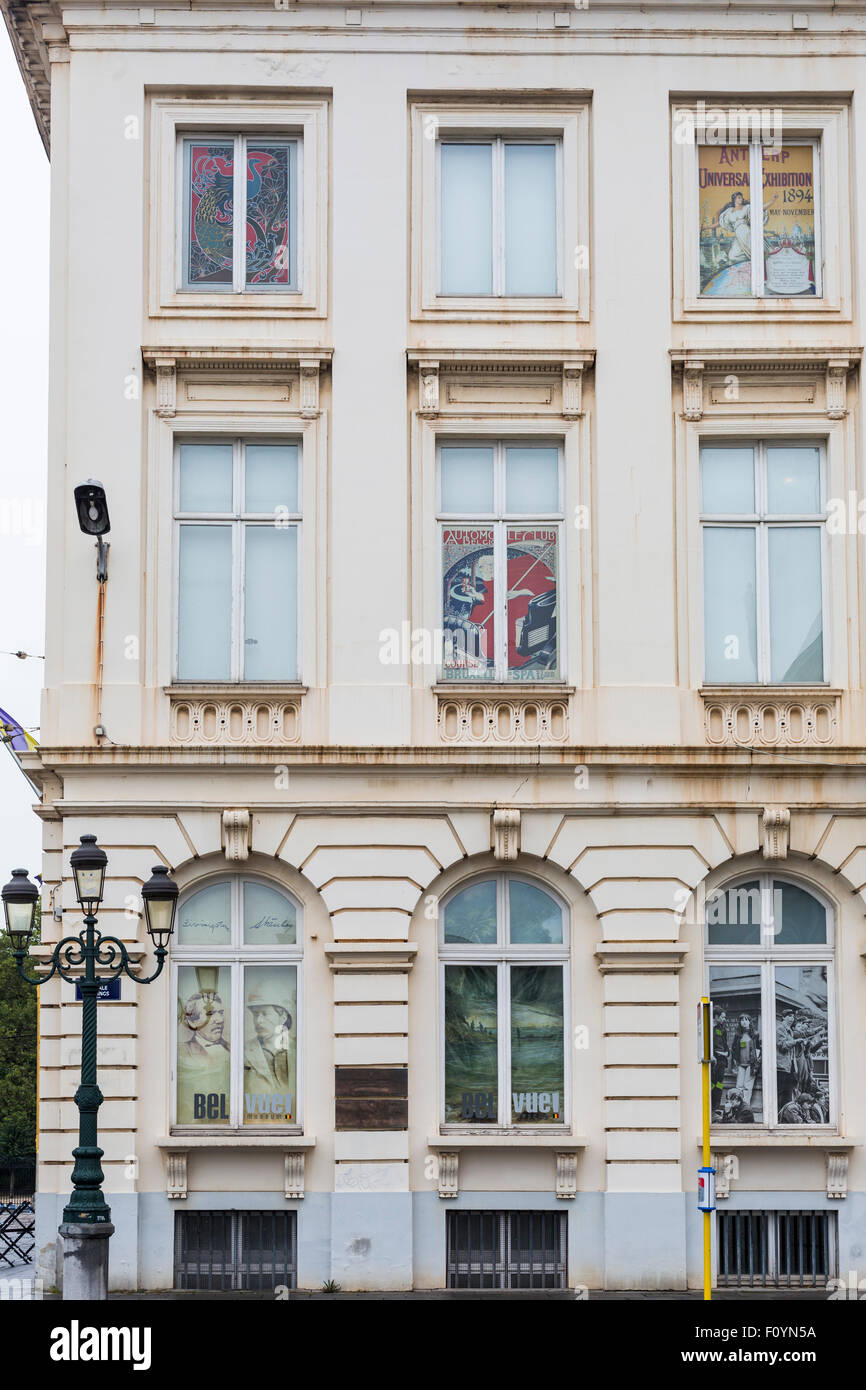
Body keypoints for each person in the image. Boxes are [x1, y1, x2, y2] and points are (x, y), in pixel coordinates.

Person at [177, 989, 230, 1121]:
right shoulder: (182, 1053)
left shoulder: (237, 1050)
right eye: (210, 1014)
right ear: (192, 1022)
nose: (219, 1020)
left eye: (221, 1013)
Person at [244, 982, 293, 1094]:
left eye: (265, 1014)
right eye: (256, 1014)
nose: (258, 1021)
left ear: (283, 1017)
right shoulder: (243, 1052)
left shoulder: (297, 1050)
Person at [776, 1009, 797, 1111]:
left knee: (788, 1094)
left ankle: (785, 1115)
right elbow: (782, 1046)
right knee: (780, 1094)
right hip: (781, 1067)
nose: (791, 1019)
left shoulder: (790, 1030)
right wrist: (795, 1042)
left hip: (789, 1067)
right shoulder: (780, 1028)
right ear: (783, 1017)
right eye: (789, 1016)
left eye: (792, 1017)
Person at [735, 1014, 757, 1103]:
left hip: (751, 1064)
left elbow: (758, 1049)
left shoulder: (755, 1034)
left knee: (747, 1087)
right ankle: (738, 1104)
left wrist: (756, 1062)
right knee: (739, 1086)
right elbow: (734, 1048)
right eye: (742, 1020)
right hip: (740, 1064)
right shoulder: (738, 1035)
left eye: (746, 1020)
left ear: (749, 1022)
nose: (744, 1022)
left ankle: (745, 1105)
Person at [711, 1008, 729, 1108]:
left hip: (721, 1061)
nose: (724, 1019)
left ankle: (716, 1105)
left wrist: (727, 1053)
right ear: (716, 1017)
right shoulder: (709, 1027)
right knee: (712, 1083)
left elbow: (725, 1044)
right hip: (713, 1061)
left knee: (719, 1084)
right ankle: (712, 1105)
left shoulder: (722, 1029)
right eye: (722, 1017)